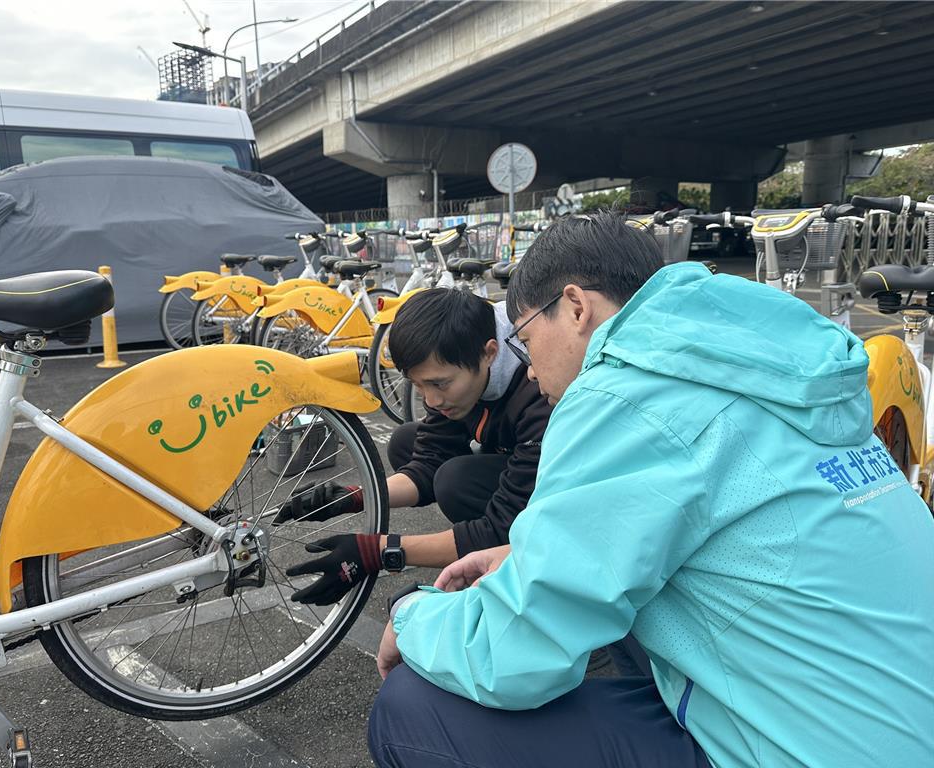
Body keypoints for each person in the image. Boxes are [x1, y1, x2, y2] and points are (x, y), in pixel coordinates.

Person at [368, 212, 934, 767]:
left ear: (574, 307)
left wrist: (413, 612)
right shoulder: (755, 364)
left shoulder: (622, 394)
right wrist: (525, 554)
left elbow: (514, 653)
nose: (531, 370)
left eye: (526, 340)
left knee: (410, 708)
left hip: (793, 748)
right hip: (892, 722)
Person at [282, 288, 552, 606]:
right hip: (512, 454)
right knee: (405, 442)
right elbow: (426, 463)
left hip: (556, 498)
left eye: (439, 384)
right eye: (418, 385)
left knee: (455, 481)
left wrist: (381, 551)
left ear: (489, 353)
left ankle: (508, 568)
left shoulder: (539, 386)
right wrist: (356, 496)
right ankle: (466, 549)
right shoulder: (456, 360)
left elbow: (500, 526)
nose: (431, 400)